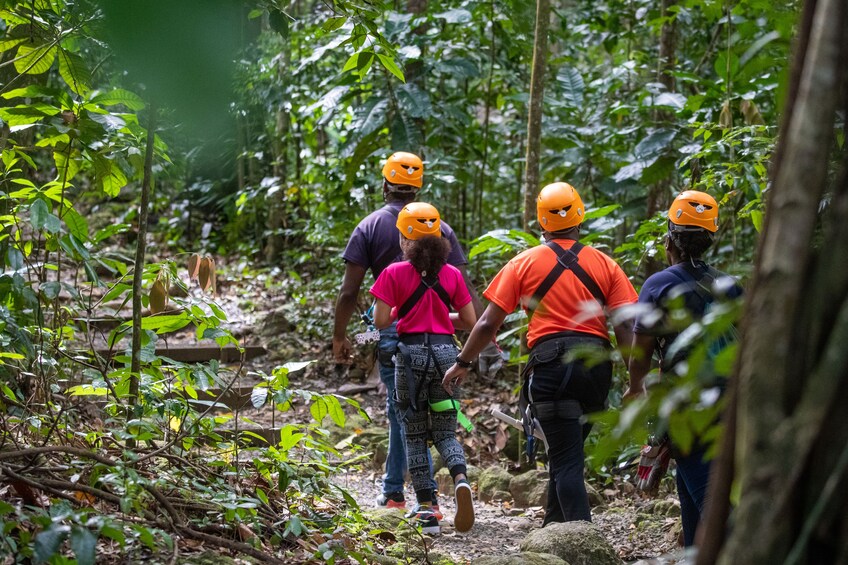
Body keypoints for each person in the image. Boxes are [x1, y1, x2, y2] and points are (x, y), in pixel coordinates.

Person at [443, 182, 638, 525]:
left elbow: (488, 323)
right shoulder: (606, 264)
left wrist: (463, 362)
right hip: (595, 368)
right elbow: (624, 326)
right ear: (580, 216)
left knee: (564, 460)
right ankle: (553, 527)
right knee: (567, 454)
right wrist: (636, 381)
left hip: (551, 367)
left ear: (541, 222)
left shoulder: (523, 262)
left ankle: (579, 538)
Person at [332, 151, 499, 514]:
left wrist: (339, 337)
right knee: (435, 418)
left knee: (404, 414)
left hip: (394, 332)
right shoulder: (440, 226)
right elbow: (464, 296)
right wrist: (485, 337)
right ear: (419, 184)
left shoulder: (371, 226)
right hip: (441, 342)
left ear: (384, 183)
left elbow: (350, 293)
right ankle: (440, 481)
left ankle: (402, 494)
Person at [625, 190, 743, 547]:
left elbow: (641, 354)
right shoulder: (731, 285)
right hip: (731, 398)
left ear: (669, 239)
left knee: (710, 499)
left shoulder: (658, 285)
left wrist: (634, 389)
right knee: (692, 494)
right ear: (710, 239)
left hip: (688, 403)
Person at [370, 202, 477, 534]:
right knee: (445, 430)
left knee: (414, 434)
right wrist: (441, 317)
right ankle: (460, 479)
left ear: (404, 238)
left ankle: (428, 510)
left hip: (411, 357)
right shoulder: (453, 274)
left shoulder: (394, 273)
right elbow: (470, 322)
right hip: (447, 356)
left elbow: (380, 320)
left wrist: (407, 312)